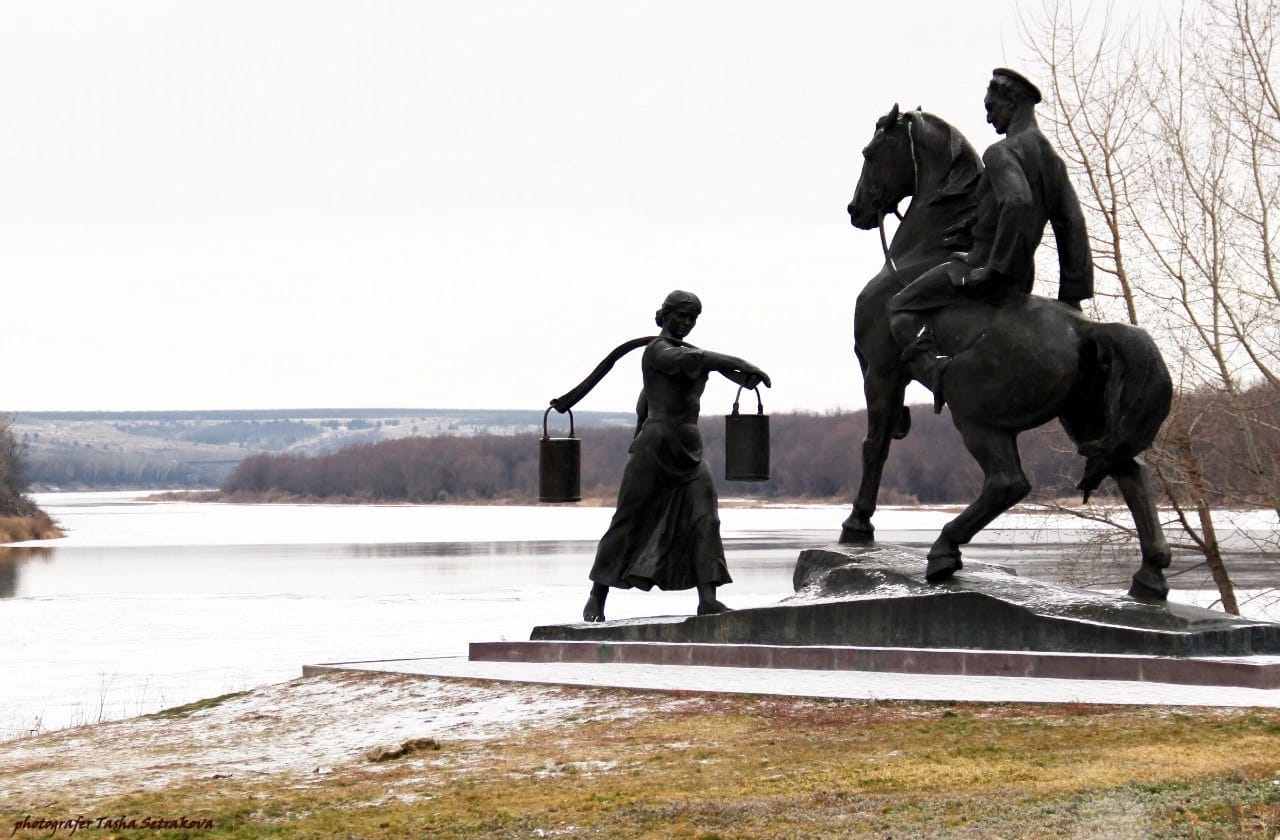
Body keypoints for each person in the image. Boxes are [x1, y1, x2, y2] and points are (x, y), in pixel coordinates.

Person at [887, 67, 1094, 411]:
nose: (987, 117)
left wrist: (993, 268)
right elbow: (1071, 222)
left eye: (991, 107)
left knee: (899, 306)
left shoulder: (1002, 153)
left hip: (981, 270)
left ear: (1011, 102)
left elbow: (1017, 202)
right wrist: (1072, 295)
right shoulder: (1049, 158)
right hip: (1021, 279)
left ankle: (940, 377)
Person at [581, 290, 771, 622]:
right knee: (628, 520)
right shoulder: (657, 351)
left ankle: (707, 598)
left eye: (691, 318)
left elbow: (704, 364)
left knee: (705, 518)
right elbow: (684, 365)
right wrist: (738, 363)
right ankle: (597, 596)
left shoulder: (694, 353)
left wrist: (740, 376)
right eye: (680, 316)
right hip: (655, 447)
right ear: (664, 315)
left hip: (689, 448)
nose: (685, 323)